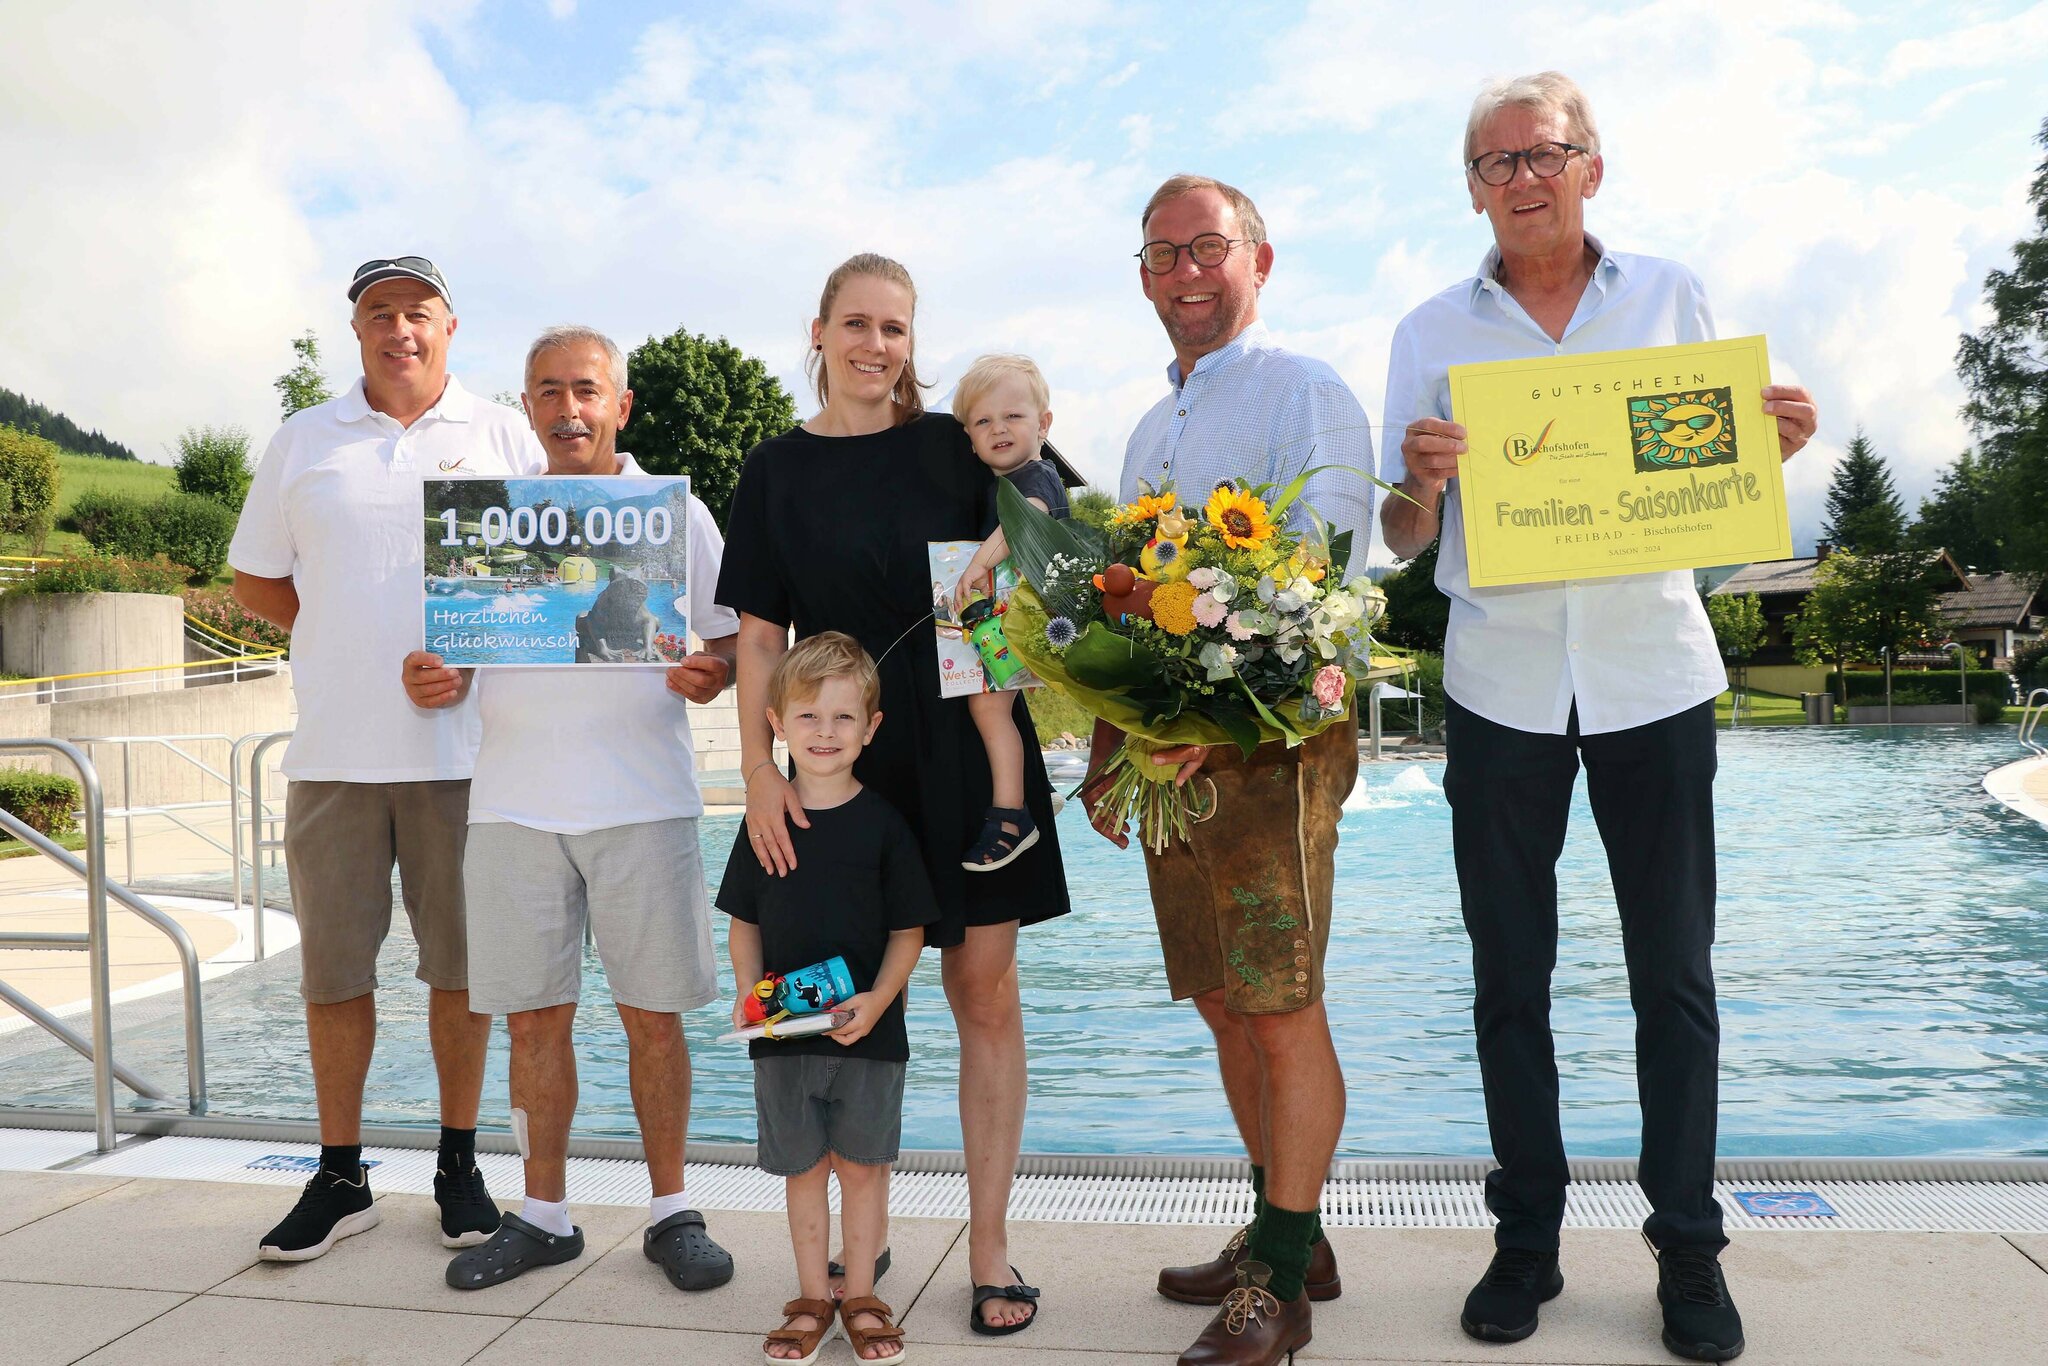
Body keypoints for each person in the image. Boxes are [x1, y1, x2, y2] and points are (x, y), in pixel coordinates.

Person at [1378, 73, 1818, 1363]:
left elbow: (1704, 488)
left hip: (1651, 676)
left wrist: (1760, 461)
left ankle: (1688, 1247)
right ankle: (1526, 1244)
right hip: (1497, 680)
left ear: (1590, 167)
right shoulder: (1427, 327)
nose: (1517, 178)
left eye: (1541, 154)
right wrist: (1414, 485)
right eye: (1490, 162)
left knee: (1670, 977)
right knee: (1507, 978)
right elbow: (1400, 540)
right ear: (1469, 186)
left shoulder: (1668, 295)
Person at [719, 253, 1068, 1335]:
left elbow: (1055, 517)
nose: (877, 345)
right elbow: (760, 638)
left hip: (968, 751)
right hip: (835, 767)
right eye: (857, 324)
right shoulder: (771, 470)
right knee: (826, 1002)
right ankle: (848, 1248)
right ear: (817, 330)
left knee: (982, 998)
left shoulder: (949, 445)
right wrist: (759, 776)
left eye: (897, 329)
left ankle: (991, 1246)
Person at [1087, 174, 1374, 1366]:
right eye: (1161, 254)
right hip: (1171, 759)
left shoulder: (1305, 391)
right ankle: (1281, 1233)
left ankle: (1280, 1290)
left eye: (1207, 247)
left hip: (1273, 748)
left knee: (1280, 1002)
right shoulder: (1150, 430)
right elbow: (1123, 596)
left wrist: (1225, 714)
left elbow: (1332, 578)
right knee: (1217, 999)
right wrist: (1113, 744)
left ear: (1259, 257)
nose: (1184, 272)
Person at [399, 325, 740, 1292]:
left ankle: (673, 1211)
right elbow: (454, 663)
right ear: (527, 404)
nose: (568, 409)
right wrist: (433, 679)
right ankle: (544, 1213)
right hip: (512, 806)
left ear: (620, 405)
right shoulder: (493, 519)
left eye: (586, 390)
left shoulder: (678, 516)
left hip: (645, 802)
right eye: (547, 391)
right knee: (533, 1024)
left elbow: (726, 650)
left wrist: (706, 675)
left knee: (654, 1021)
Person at [230, 257, 543, 1262]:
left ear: (450, 324)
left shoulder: (503, 435)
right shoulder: (303, 438)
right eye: (378, 313)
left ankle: (458, 1163)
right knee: (334, 974)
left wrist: (469, 661)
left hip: (466, 757)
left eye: (416, 311)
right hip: (332, 757)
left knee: (459, 972)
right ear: (356, 330)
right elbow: (256, 578)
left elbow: (545, 585)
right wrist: (341, 640)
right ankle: (339, 1172)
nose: (398, 327)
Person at [718, 632, 936, 1362]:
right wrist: (750, 995)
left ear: (871, 730)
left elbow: (910, 931)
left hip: (870, 1033)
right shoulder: (763, 823)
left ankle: (864, 1293)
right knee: (804, 1171)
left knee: (865, 1169)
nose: (825, 733)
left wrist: (878, 1001)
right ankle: (814, 1296)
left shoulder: (885, 827)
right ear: (776, 722)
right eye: (807, 717)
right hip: (784, 1038)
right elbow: (743, 925)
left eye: (844, 719)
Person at [949, 353, 1071, 871]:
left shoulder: (1036, 476)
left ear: (1043, 424)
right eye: (983, 422)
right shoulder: (1007, 480)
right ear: (970, 438)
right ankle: (1035, 790)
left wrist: (978, 562)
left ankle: (1011, 816)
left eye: (1013, 416)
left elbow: (1032, 517)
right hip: (1016, 616)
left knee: (988, 708)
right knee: (1000, 708)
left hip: (1031, 617)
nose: (998, 428)